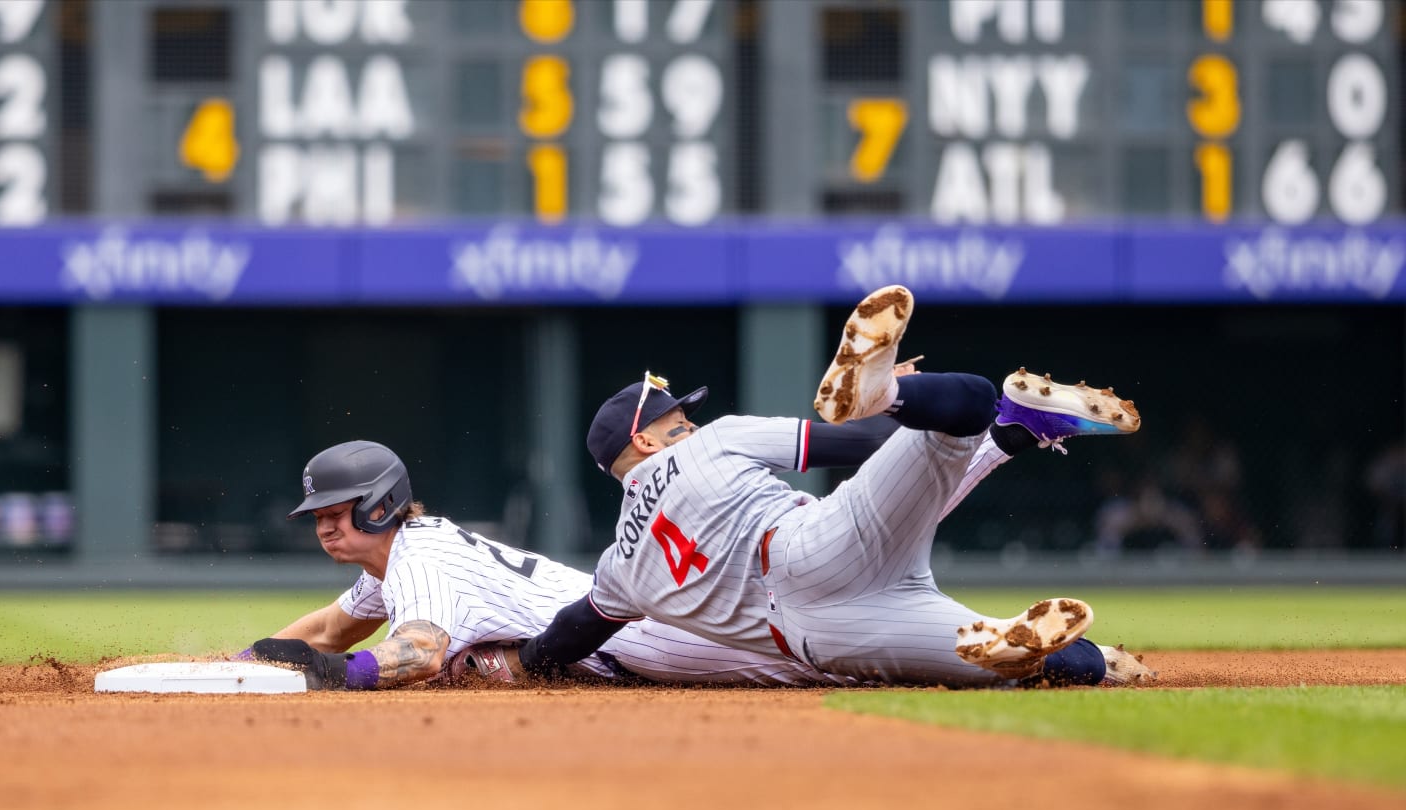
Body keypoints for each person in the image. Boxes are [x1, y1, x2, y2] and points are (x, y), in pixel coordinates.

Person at [510, 284, 1143, 687]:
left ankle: (1101, 664)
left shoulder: (621, 564)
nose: (692, 422)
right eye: (678, 418)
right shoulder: (715, 440)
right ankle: (892, 393)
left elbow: (574, 630)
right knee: (972, 402)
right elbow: (857, 444)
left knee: (998, 663)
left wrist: (528, 662)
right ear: (644, 439)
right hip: (815, 545)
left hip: (818, 638)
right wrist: (907, 409)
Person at [244, 433, 1154, 691]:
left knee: (832, 662)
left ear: (377, 504)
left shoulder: (424, 563)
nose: (322, 526)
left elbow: (418, 647)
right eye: (315, 516)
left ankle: (1076, 662)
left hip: (653, 639)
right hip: (628, 626)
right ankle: (992, 450)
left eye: (332, 511)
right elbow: (333, 622)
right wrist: (249, 660)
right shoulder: (407, 555)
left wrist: (345, 676)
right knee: (846, 622)